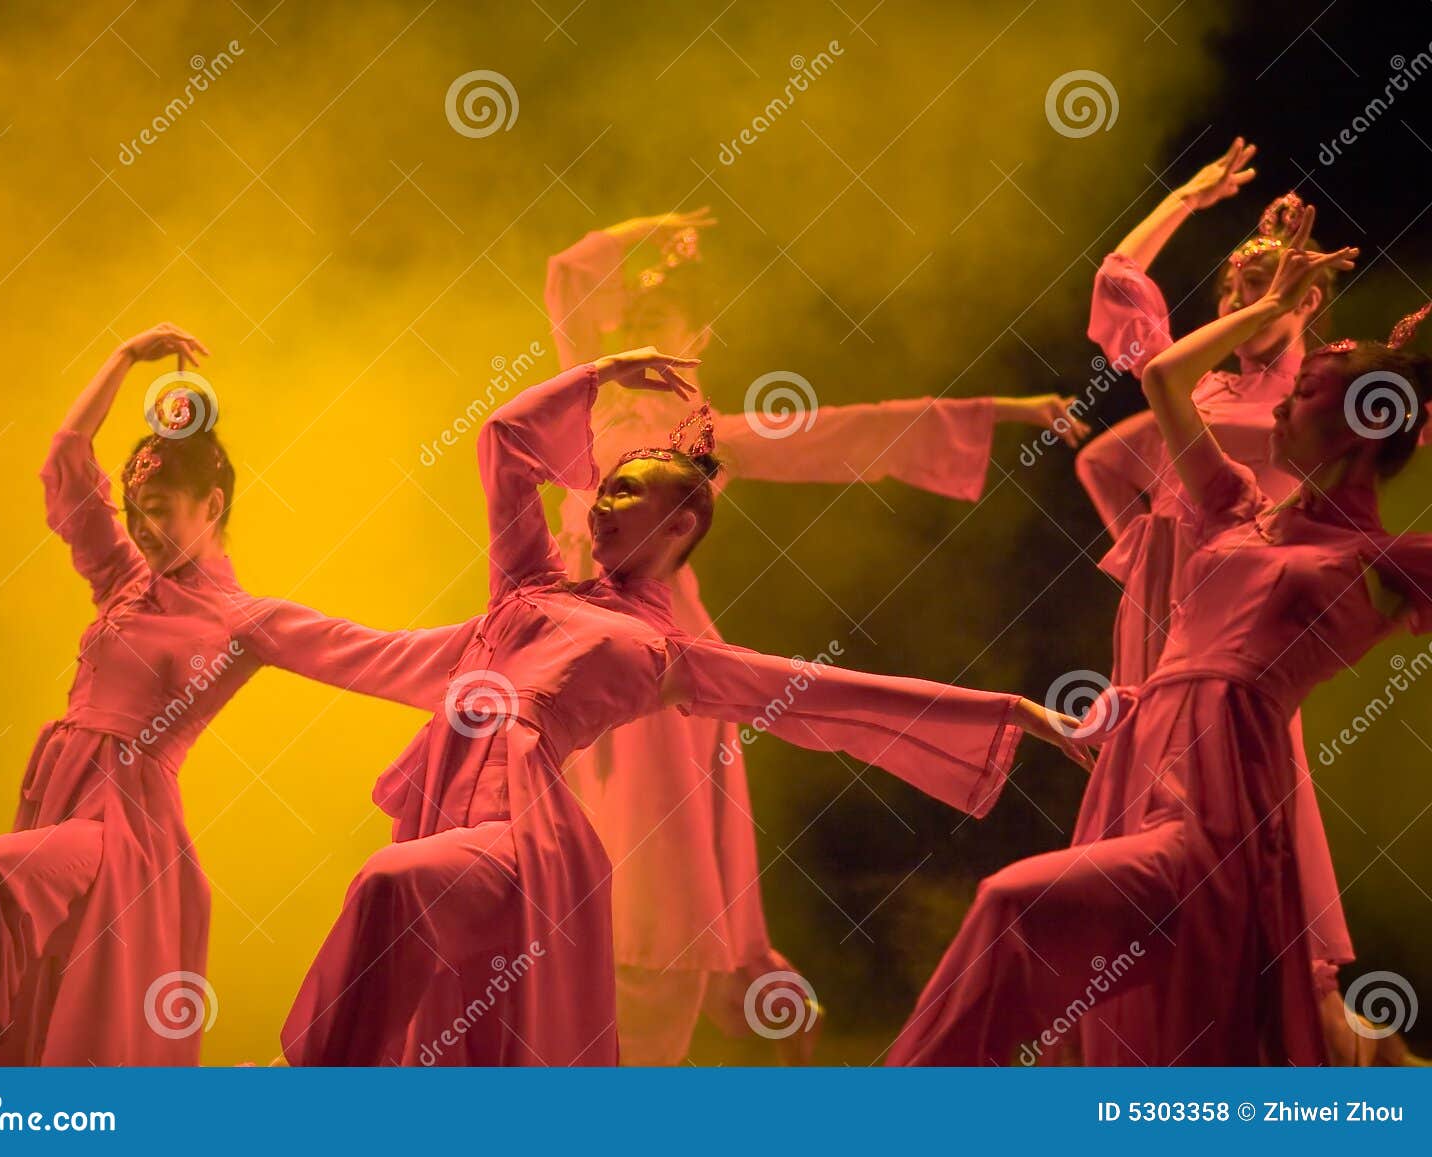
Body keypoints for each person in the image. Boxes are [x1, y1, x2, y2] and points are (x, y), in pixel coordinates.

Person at [281, 347, 1089, 1066]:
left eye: (624, 491)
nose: (598, 503)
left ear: (682, 521)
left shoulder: (668, 653)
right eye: (601, 488)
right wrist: (599, 373)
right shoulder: (529, 581)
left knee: (397, 881)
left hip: (523, 837)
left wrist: (1012, 710)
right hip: (450, 815)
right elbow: (504, 441)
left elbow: (829, 693)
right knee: (398, 919)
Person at [546, 211, 1087, 1063]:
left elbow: (844, 432)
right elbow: (568, 277)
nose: (640, 327)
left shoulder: (702, 435)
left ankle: (666, 1041)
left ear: (699, 338)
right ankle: (723, 1007)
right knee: (567, 832)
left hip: (651, 636)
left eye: (663, 317)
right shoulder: (586, 394)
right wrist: (653, 230)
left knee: (657, 859)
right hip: (566, 627)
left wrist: (1006, 409)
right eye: (634, 316)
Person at [890, 227, 1432, 1065]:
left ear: (1370, 422)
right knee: (1135, 1021)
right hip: (1140, 766)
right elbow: (1163, 377)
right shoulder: (1233, 507)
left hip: (1222, 807)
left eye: (1307, 391)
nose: (1281, 404)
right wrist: (1272, 303)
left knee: (1015, 905)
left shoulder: (1380, 562)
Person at [0, 325, 486, 1065]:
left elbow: (381, 655)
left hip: (124, 820)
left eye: (159, 508)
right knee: (40, 975)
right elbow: (66, 463)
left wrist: (512, 631)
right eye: (134, 509)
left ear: (212, 504)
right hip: (58, 790)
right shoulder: (124, 581)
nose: (143, 528)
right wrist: (123, 357)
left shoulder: (243, 621)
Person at [1077, 142, 1399, 1062]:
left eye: (1259, 286)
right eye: (1231, 286)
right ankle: (1154, 1006)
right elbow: (1118, 283)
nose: (1234, 299)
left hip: (1245, 605)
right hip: (1171, 589)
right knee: (1146, 778)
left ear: (1306, 299)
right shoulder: (1204, 374)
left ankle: (1306, 1009)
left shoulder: (1316, 391)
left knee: (1245, 783)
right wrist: (1188, 195)